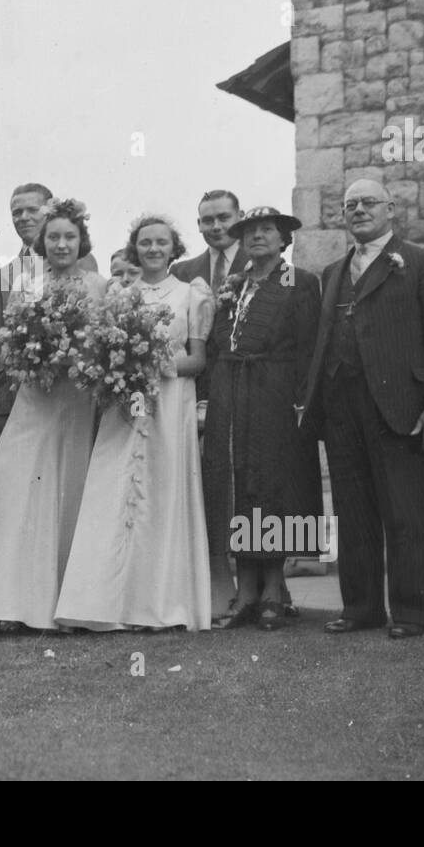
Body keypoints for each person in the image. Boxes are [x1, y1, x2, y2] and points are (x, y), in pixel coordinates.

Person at [0, 198, 107, 631]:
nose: (62, 244)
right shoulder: (26, 282)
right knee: (16, 492)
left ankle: (65, 602)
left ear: (81, 240)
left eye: (69, 236)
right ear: (42, 242)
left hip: (77, 399)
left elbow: (104, 343)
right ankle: (4, 601)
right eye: (54, 237)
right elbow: (4, 344)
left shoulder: (98, 286)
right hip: (34, 398)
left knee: (67, 491)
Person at [302, 180, 424, 639]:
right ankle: (361, 608)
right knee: (353, 512)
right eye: (349, 204)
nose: (358, 210)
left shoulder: (421, 264)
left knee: (406, 511)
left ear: (391, 210)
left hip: (400, 408)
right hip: (341, 408)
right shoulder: (333, 271)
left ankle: (411, 613)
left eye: (368, 202)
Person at [55, 215, 213, 630]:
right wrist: (120, 364)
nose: (154, 249)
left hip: (171, 400)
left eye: (161, 242)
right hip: (125, 402)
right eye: (145, 243)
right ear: (135, 248)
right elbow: (99, 348)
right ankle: (101, 605)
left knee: (160, 494)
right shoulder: (120, 293)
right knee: (112, 490)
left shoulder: (190, 295)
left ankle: (157, 605)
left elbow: (198, 359)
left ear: (174, 247)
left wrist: (155, 363)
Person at [203, 207, 323, 630]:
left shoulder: (298, 281)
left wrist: (303, 401)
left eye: (266, 230)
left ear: (283, 238)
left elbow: (310, 348)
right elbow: (220, 343)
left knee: (274, 484)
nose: (257, 237)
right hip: (232, 391)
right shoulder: (234, 286)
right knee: (239, 483)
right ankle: (246, 588)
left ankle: (274, 588)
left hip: (276, 391)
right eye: (249, 231)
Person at [171, 189, 247, 618]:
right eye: (207, 220)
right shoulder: (184, 271)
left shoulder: (260, 261)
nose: (216, 226)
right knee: (209, 488)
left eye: (223, 218)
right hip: (197, 393)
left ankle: (265, 585)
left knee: (250, 485)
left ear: (237, 218)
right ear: (198, 225)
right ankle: (215, 584)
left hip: (248, 389)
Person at [0, 182, 99, 447]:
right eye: (16, 212)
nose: (23, 217)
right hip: (22, 395)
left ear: (48, 212)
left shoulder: (82, 262)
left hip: (73, 392)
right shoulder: (4, 275)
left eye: (31, 209)